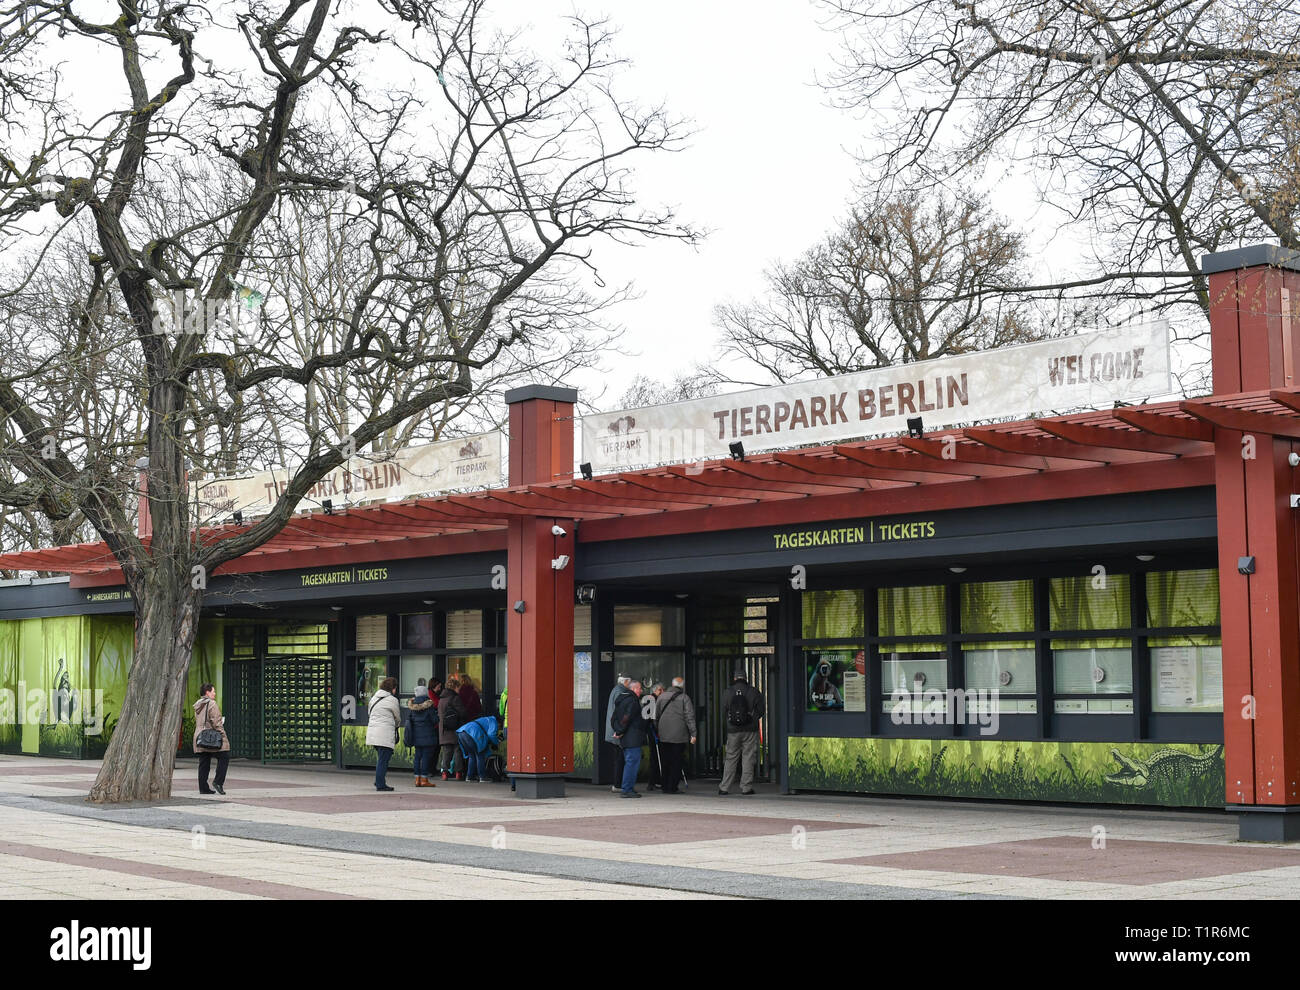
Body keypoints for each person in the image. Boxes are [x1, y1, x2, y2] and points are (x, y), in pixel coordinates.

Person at [718, 669, 765, 796]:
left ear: (734, 678)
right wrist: (752, 719)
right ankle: (746, 787)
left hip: (733, 730)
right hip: (750, 730)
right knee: (748, 757)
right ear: (745, 678)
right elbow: (761, 710)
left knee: (730, 758)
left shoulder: (727, 692)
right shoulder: (754, 692)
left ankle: (724, 787)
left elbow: (723, 710)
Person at [656, 675, 697, 794]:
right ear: (682, 686)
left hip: (663, 734)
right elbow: (689, 717)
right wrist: (693, 734)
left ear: (672, 684)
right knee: (676, 761)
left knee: (665, 760)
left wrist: (658, 729)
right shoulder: (685, 698)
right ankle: (672, 786)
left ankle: (664, 785)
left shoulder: (661, 697)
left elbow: (656, 715)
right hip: (679, 735)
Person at [610, 680, 646, 798]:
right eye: (639, 688)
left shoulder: (621, 700)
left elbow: (614, 718)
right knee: (632, 763)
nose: (641, 691)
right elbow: (627, 717)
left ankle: (628, 787)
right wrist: (620, 731)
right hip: (633, 737)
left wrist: (617, 731)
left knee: (629, 762)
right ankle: (627, 789)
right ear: (633, 689)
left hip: (625, 738)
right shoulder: (633, 701)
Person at [193, 683, 230, 795]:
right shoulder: (212, 704)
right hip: (210, 736)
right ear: (207, 692)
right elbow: (216, 722)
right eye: (213, 691)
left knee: (204, 761)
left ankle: (203, 788)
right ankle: (218, 782)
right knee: (224, 756)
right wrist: (223, 735)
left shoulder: (198, 704)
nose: (214, 693)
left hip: (200, 736)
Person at [366, 677, 402, 791]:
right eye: (395, 688)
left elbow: (369, 713)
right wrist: (396, 726)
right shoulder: (392, 700)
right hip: (385, 734)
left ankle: (378, 780)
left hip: (373, 733)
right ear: (392, 688)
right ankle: (380, 784)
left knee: (381, 758)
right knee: (383, 760)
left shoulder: (373, 698)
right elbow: (397, 718)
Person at [407, 680, 440, 787]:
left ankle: (417, 779)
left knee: (417, 757)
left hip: (416, 736)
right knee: (426, 757)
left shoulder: (412, 707)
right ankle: (424, 779)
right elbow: (435, 720)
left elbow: (410, 720)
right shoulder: (429, 706)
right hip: (428, 736)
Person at [603, 674, 631, 792]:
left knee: (618, 758)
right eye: (629, 683)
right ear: (625, 682)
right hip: (617, 731)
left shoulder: (615, 690)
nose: (630, 685)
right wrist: (620, 730)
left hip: (613, 730)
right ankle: (618, 784)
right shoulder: (621, 692)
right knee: (620, 759)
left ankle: (617, 783)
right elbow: (621, 713)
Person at [438, 677, 469, 780]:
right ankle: (458, 773)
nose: (459, 690)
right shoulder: (455, 698)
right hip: (455, 728)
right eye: (458, 687)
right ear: (455, 687)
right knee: (457, 751)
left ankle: (445, 773)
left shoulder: (441, 699)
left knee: (446, 752)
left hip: (444, 729)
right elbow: (463, 713)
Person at [457, 713, 501, 783]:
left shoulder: (485, 719)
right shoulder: (493, 721)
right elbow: (491, 734)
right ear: (499, 722)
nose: (498, 728)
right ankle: (482, 777)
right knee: (480, 755)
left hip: (461, 732)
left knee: (472, 756)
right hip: (472, 733)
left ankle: (469, 777)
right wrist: (496, 743)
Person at [642, 682, 664, 790]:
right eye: (660, 690)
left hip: (652, 730)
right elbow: (650, 718)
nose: (662, 692)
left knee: (655, 757)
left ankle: (654, 781)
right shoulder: (652, 700)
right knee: (655, 756)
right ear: (656, 690)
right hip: (653, 731)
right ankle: (654, 781)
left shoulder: (651, 699)